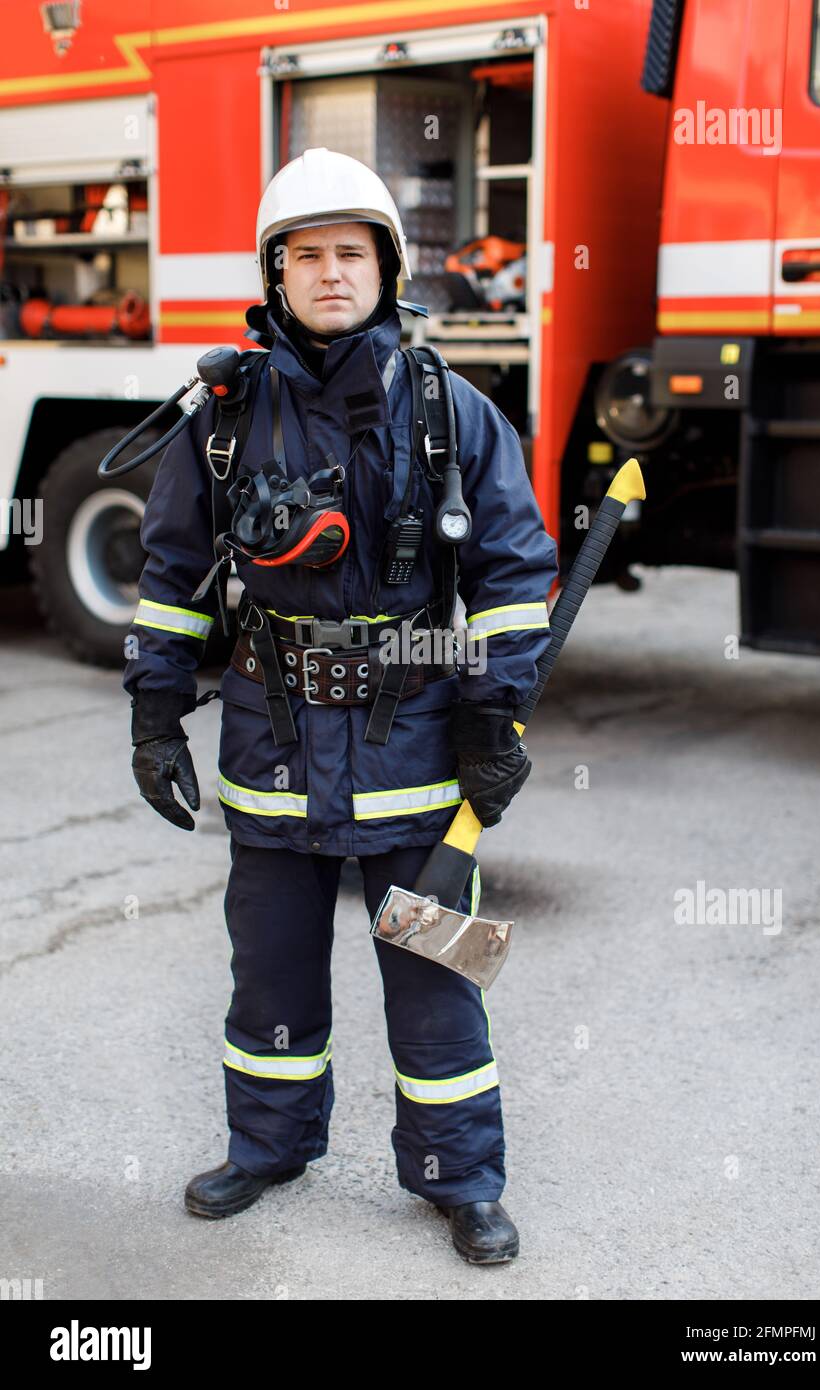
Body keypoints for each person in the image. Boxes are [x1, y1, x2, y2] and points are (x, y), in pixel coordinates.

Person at [123, 147, 559, 1265]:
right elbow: (171, 575)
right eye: (304, 254)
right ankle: (266, 1147)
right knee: (267, 971)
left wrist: (489, 714)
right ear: (274, 273)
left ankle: (460, 1177)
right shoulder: (218, 418)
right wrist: (155, 712)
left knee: (437, 978)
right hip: (267, 752)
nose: (327, 273)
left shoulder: (449, 409)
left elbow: (513, 573)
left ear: (385, 266)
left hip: (419, 763)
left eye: (348, 253)